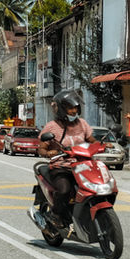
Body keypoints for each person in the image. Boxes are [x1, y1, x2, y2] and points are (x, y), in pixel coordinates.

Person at [37, 89, 98, 219]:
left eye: (76, 108)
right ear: (61, 109)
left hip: (83, 166)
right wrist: (49, 153)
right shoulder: (51, 126)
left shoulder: (82, 124)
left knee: (99, 185)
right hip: (61, 167)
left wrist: (102, 145)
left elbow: (91, 140)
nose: (74, 111)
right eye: (70, 108)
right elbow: (41, 149)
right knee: (64, 190)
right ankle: (56, 215)